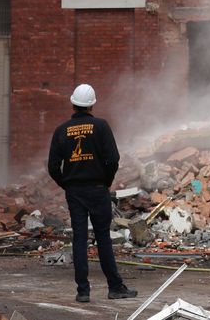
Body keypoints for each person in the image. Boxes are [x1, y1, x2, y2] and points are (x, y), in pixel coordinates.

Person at [47, 83, 137, 303]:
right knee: (103, 238)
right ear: (92, 105)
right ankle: (115, 288)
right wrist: (105, 180)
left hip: (75, 192)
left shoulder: (61, 130)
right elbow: (113, 159)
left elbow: (52, 167)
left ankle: (83, 291)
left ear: (73, 103)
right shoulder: (101, 126)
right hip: (98, 189)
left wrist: (66, 184)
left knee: (79, 238)